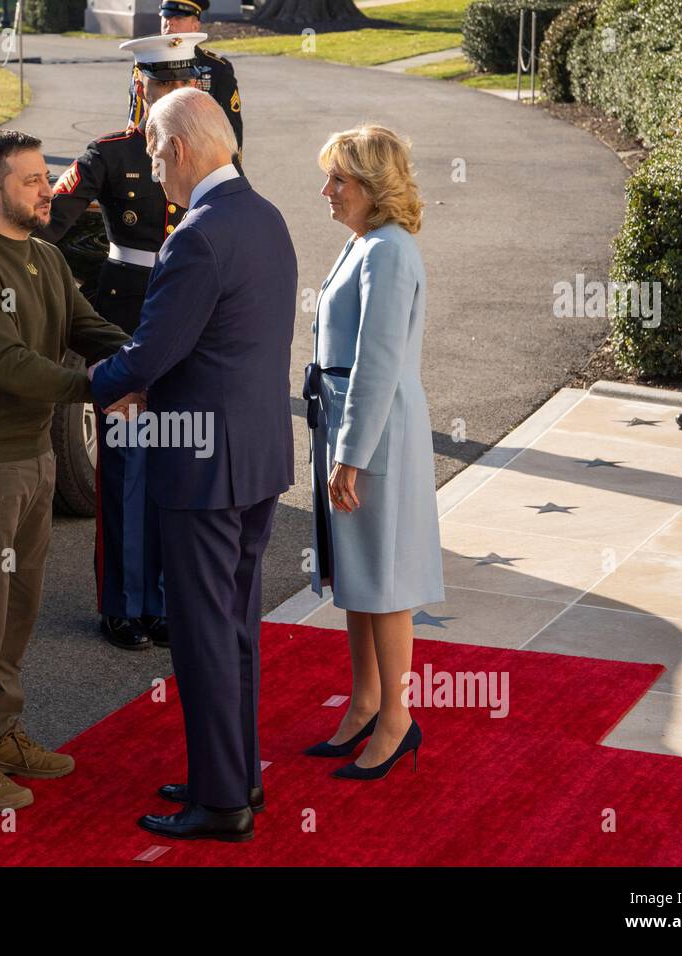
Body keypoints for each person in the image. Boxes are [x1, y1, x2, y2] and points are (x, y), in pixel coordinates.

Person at [89, 88, 296, 842]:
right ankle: (235, 772)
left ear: (178, 148)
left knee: (205, 631)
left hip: (204, 467)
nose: (149, 171)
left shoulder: (198, 235)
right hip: (256, 456)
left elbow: (153, 352)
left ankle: (222, 801)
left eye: (151, 154)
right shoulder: (264, 215)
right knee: (235, 626)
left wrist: (88, 385)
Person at [0, 129, 141, 812]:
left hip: (36, 460)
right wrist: (106, 386)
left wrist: (144, 358)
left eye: (44, 176)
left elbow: (89, 328)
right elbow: (12, 370)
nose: (46, 188)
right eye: (29, 180)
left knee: (18, 610)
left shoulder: (46, 257)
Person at [35, 34, 202, 653]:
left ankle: (159, 600)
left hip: (190, 318)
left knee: (174, 464)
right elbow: (48, 224)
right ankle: (122, 603)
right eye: (162, 85)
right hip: (125, 319)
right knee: (126, 468)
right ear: (140, 88)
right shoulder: (109, 154)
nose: (172, 97)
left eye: (183, 85)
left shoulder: (208, 155)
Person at [304, 124, 444, 781]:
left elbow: (379, 361)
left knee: (384, 582)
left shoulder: (386, 251)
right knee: (359, 574)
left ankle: (397, 719)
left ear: (372, 187)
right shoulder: (365, 242)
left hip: (374, 428)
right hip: (351, 421)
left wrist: (350, 454)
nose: (327, 190)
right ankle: (365, 704)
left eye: (340, 180)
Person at [126, 1, 243, 167]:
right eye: (166, 15)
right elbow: (136, 118)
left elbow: (231, 130)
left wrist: (232, 174)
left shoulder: (217, 68)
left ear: (196, 26)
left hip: (201, 161)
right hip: (154, 157)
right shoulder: (145, 64)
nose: (170, 22)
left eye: (179, 17)